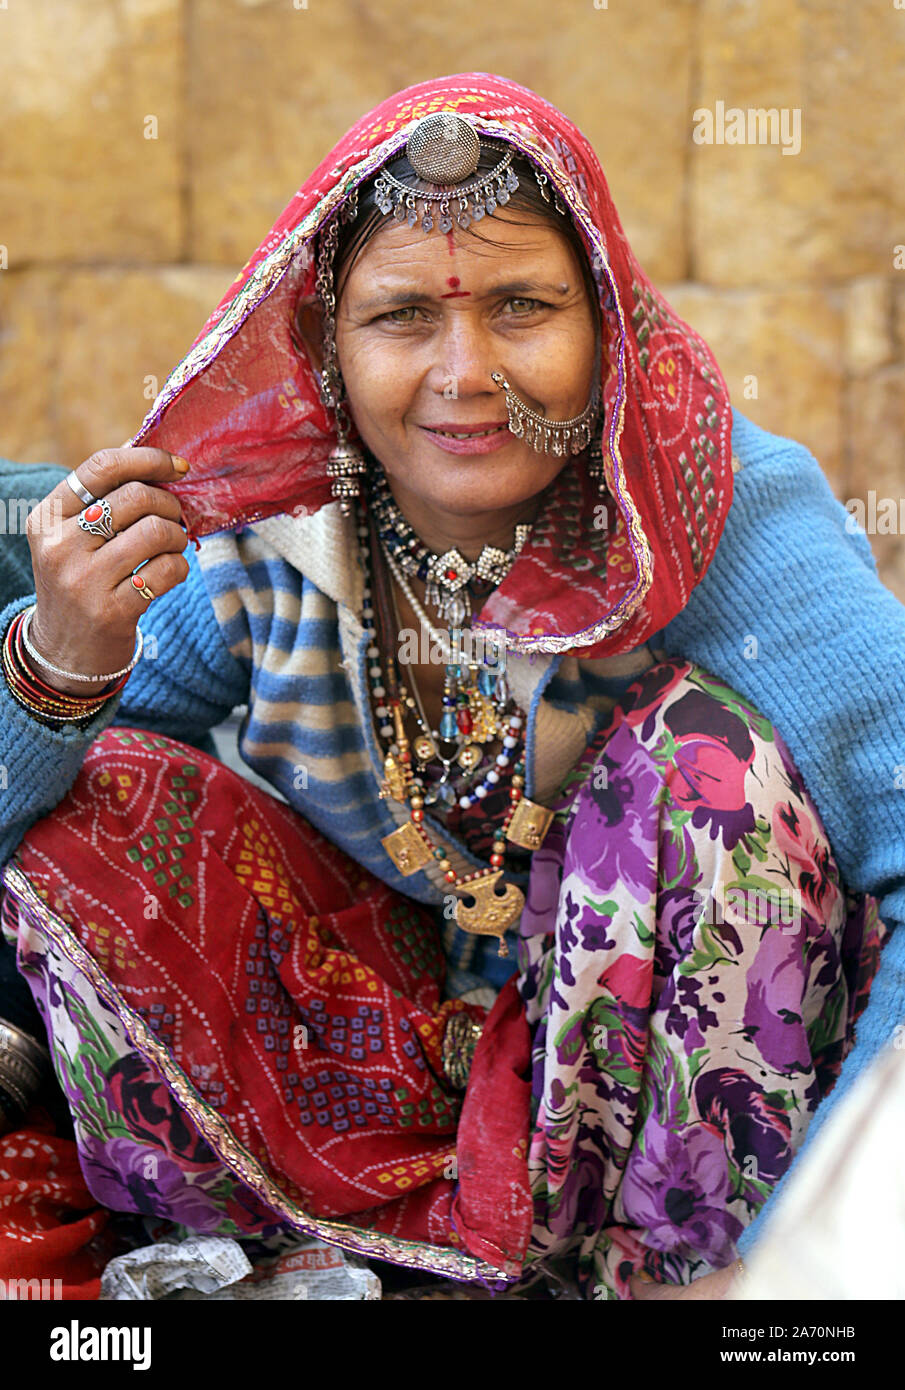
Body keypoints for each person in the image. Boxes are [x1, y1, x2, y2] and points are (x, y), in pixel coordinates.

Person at [0, 72, 901, 1301]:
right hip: (394, 1078)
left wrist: (813, 1250)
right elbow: (50, 818)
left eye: (523, 305)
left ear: (608, 324)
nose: (464, 372)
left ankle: (676, 1281)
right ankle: (328, 1254)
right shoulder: (277, 531)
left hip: (670, 1127)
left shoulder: (717, 511)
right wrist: (60, 660)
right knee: (106, 779)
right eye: (401, 317)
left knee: (705, 767)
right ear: (326, 339)